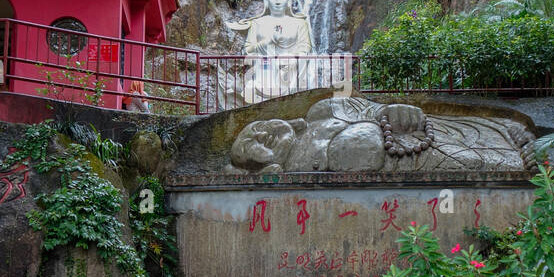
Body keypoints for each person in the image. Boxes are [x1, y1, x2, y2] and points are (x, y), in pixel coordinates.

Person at [229, 97, 536, 173]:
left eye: (255, 127)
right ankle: (516, 164)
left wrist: (389, 111)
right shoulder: (295, 167)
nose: (260, 133)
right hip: (404, 161)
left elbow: (368, 107)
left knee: (449, 134)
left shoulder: (320, 111)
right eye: (250, 145)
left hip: (404, 133)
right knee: (463, 162)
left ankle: (506, 136)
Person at [229, 0, 313, 103]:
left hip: (290, 68)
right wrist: (267, 41)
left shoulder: (299, 23)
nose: (278, 1)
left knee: (302, 59)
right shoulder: (257, 22)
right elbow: (247, 49)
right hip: (264, 68)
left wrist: (291, 59)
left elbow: (305, 47)